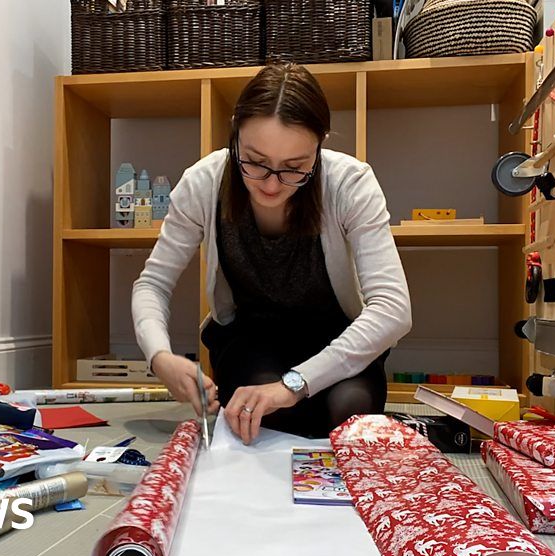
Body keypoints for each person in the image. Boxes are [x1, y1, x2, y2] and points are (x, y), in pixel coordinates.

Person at [132, 63, 411, 445]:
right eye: (255, 161)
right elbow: (153, 283)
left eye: (295, 167)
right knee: (262, 417)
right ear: (234, 131)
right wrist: (159, 356)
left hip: (336, 336)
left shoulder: (350, 183)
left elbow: (393, 309)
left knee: (351, 416)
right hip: (250, 338)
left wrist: (294, 384)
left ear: (320, 144)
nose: (271, 183)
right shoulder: (203, 182)